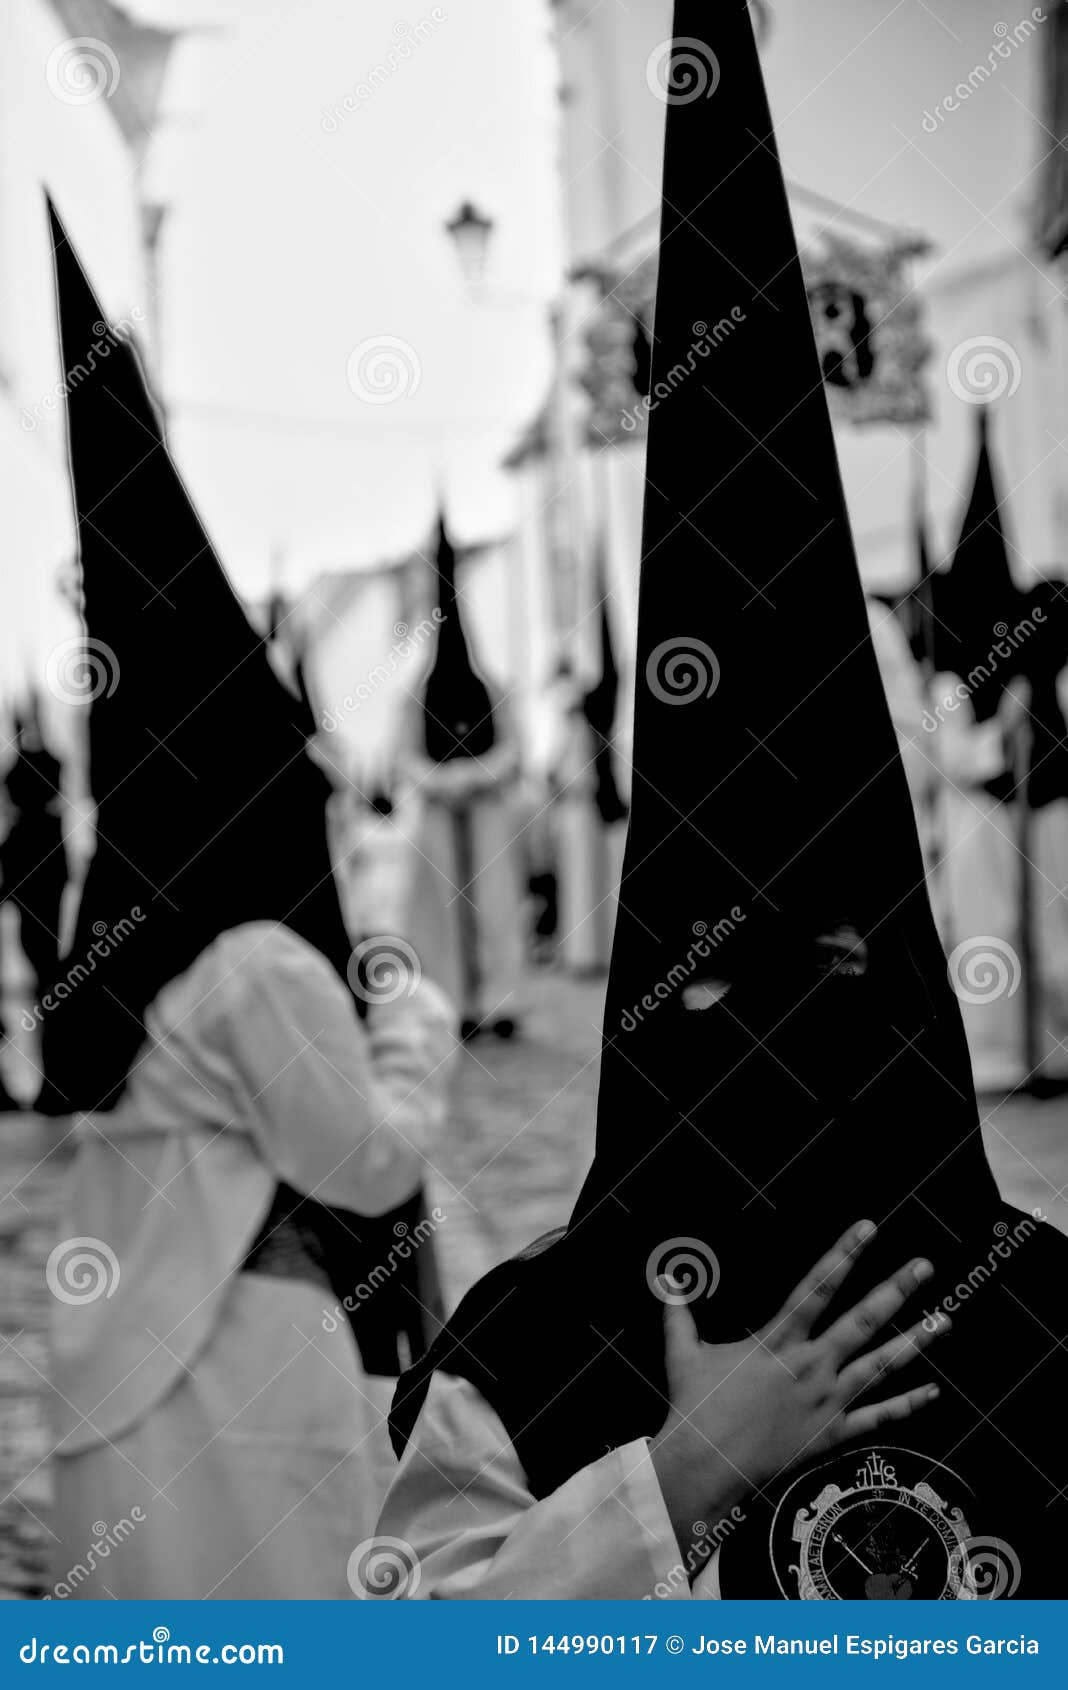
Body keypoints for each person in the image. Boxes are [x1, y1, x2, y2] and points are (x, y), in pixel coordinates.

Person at [378, 0, 1068, 1600]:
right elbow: (414, 1638)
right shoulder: (538, 1359)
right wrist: (677, 1481)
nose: (773, 1047)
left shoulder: (1036, 1323)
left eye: (824, 975)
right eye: (716, 995)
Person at [43, 202, 455, 1599]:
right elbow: (374, 1164)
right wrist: (417, 1027)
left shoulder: (120, 951)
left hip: (113, 1381)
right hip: (241, 1382)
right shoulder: (260, 970)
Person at [396, 518, 526, 1040]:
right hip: (440, 819)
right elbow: (403, 759)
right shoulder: (416, 693)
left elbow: (514, 750)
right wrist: (440, 785)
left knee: (495, 909)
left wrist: (472, 777)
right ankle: (453, 1001)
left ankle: (500, 999)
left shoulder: (492, 687)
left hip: (487, 814)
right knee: (443, 916)